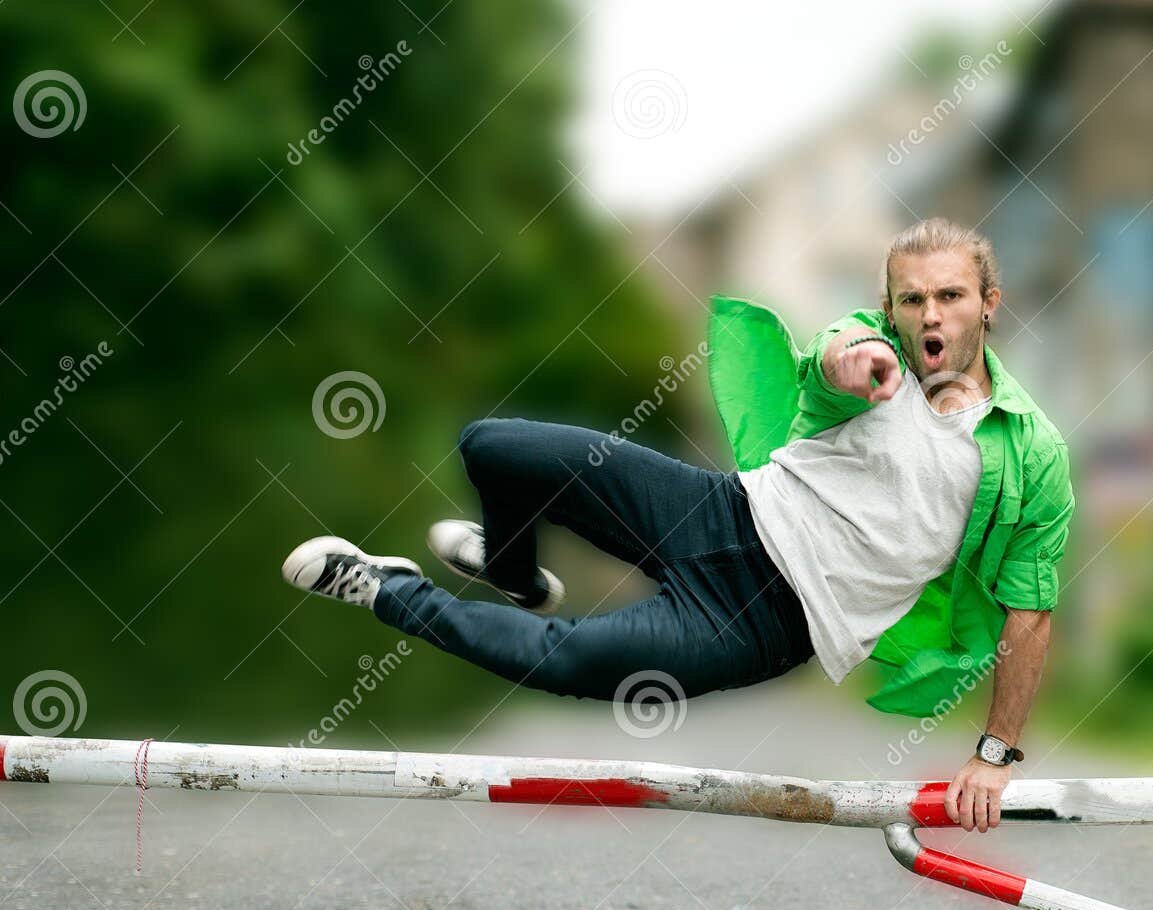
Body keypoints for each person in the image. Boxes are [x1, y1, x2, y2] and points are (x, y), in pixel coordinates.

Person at [281, 218, 1074, 831]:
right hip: (721, 509)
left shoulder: (1030, 450)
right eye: (911, 299)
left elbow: (1029, 612)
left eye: (950, 296)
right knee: (492, 448)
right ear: (892, 305)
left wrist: (994, 756)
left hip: (764, 619)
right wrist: (853, 355)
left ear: (987, 304)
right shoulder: (873, 357)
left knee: (566, 662)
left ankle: (386, 589)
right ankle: (515, 572)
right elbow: (834, 354)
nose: (929, 315)